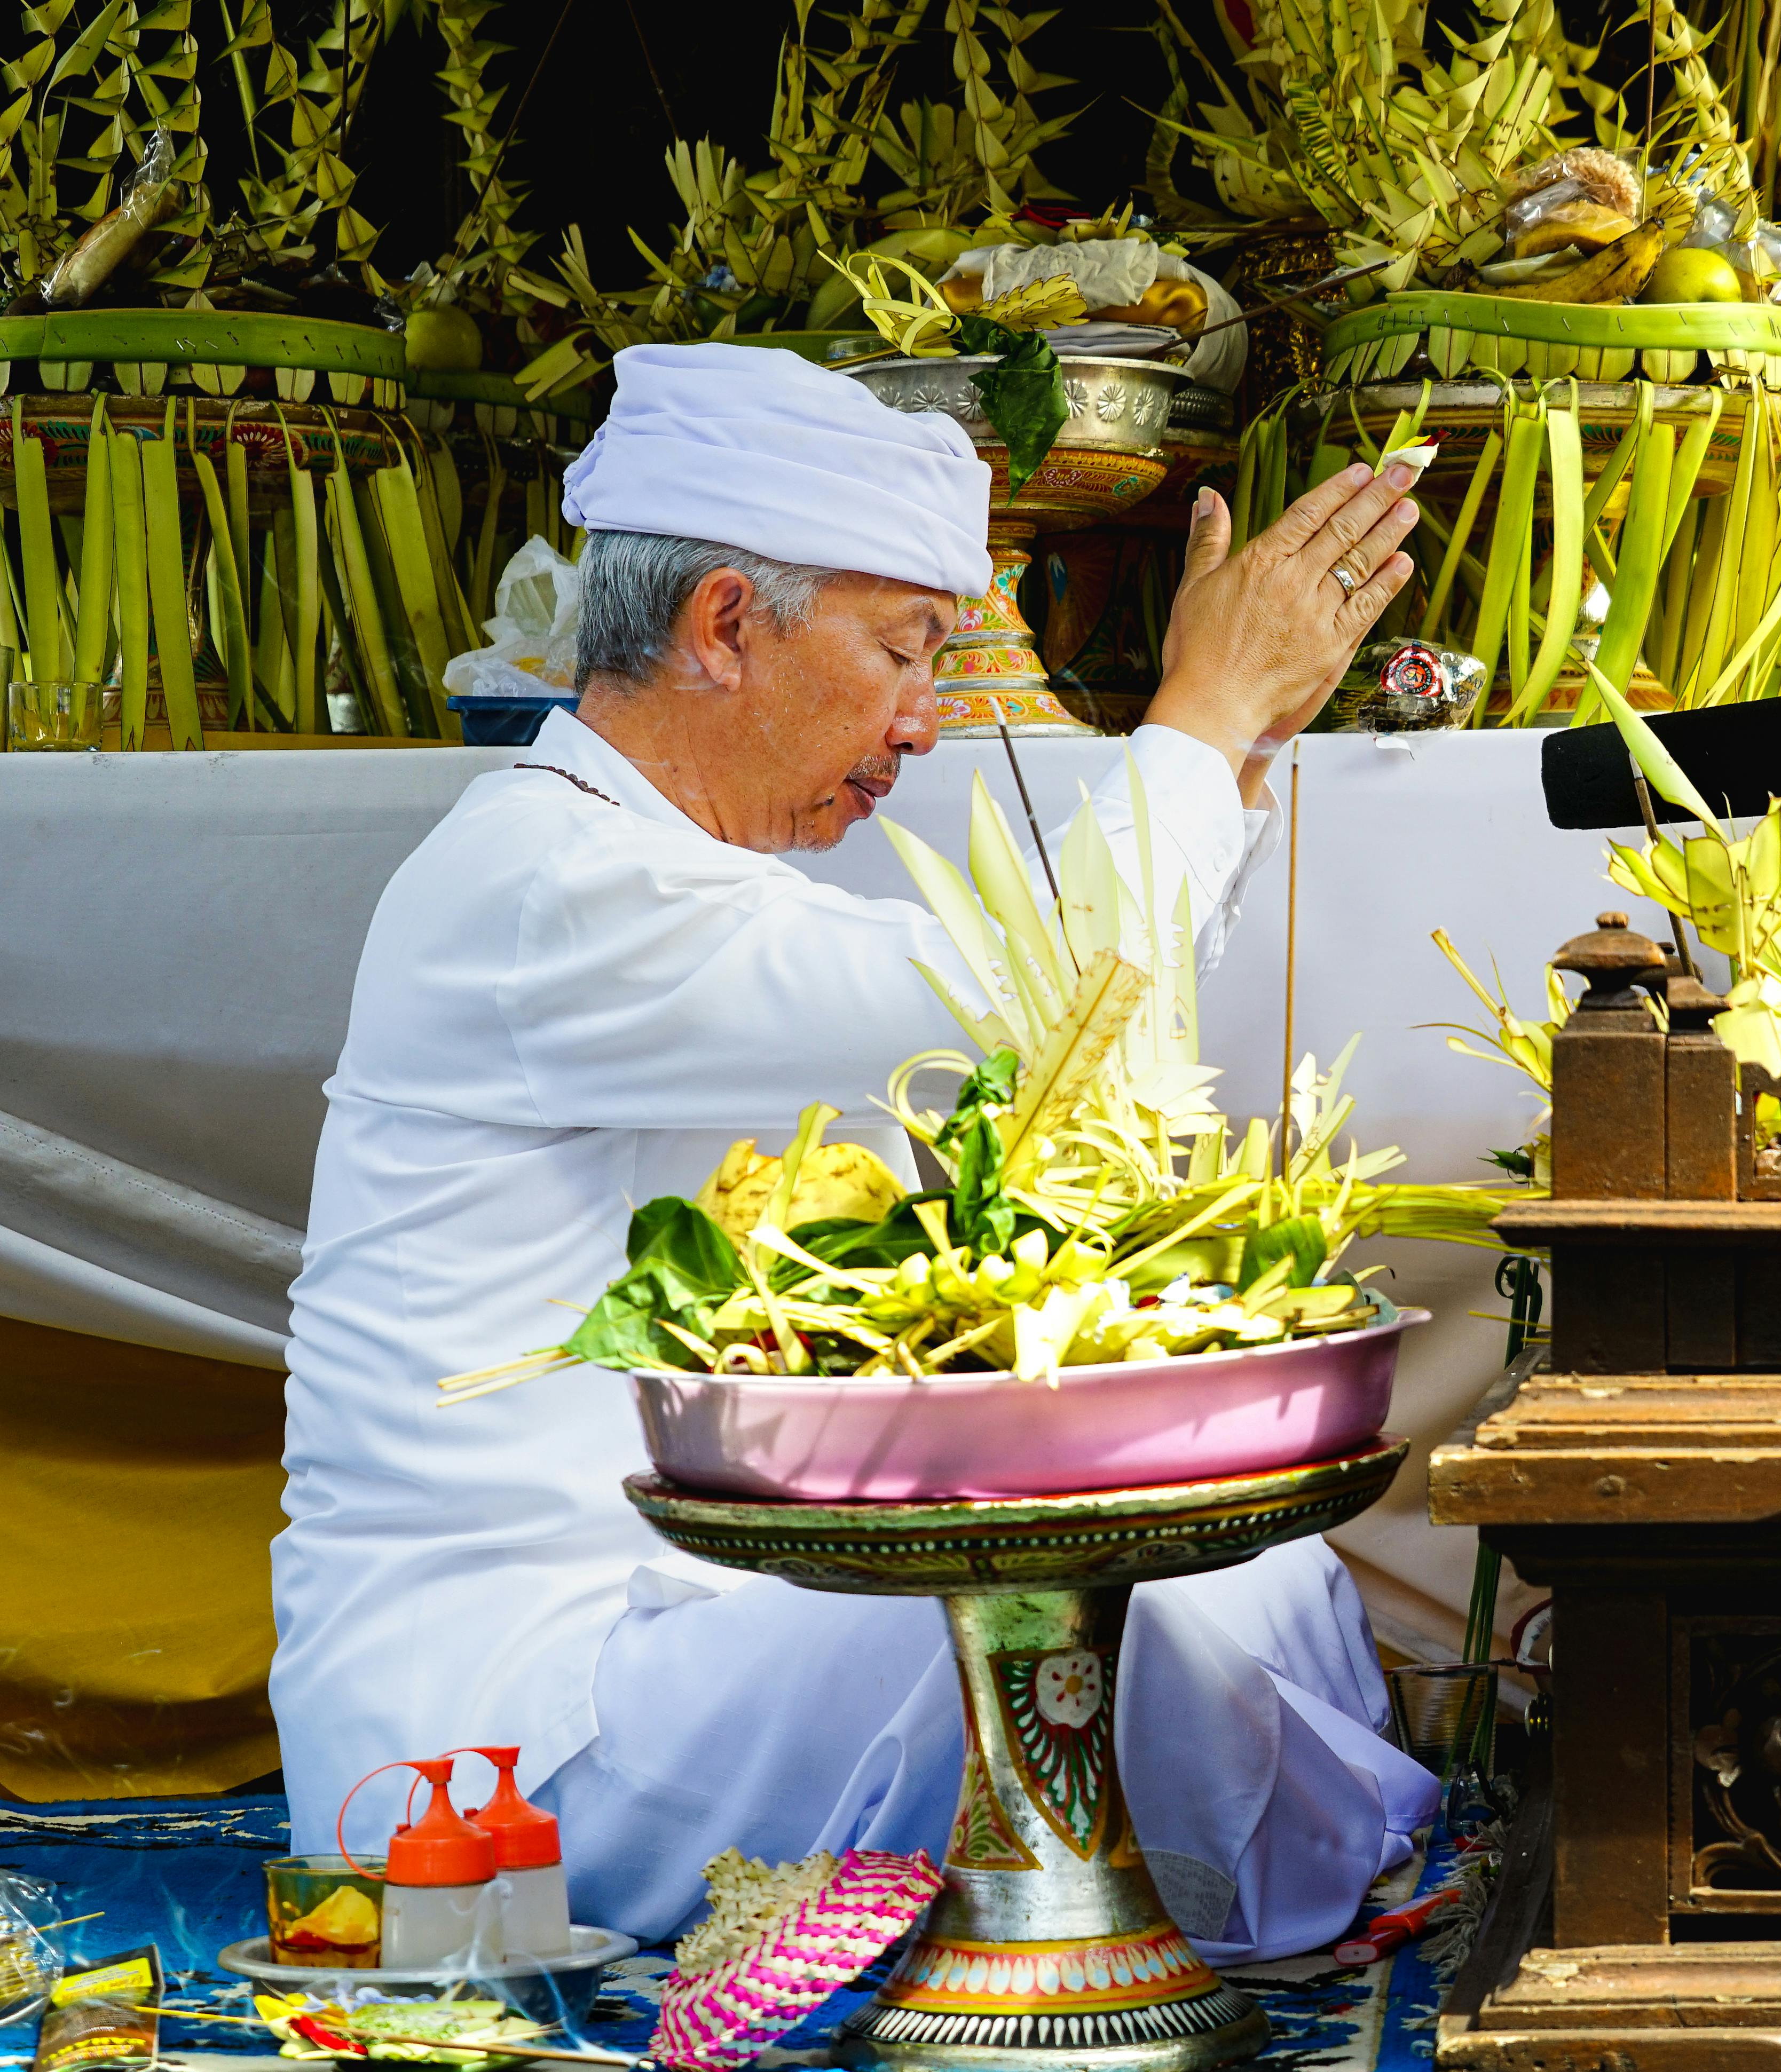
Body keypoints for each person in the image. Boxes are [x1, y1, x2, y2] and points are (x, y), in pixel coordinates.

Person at [269, 341, 1435, 1960]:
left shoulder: (645, 869)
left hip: (693, 1630)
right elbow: (1032, 1000)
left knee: (1219, 1534)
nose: (925, 724)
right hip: (519, 1733)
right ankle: (1260, 1892)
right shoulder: (538, 889)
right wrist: (1202, 710)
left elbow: (1036, 1015)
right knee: (1117, 1597)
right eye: (901, 652)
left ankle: (1269, 1866)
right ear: (724, 626)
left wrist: (1225, 750)